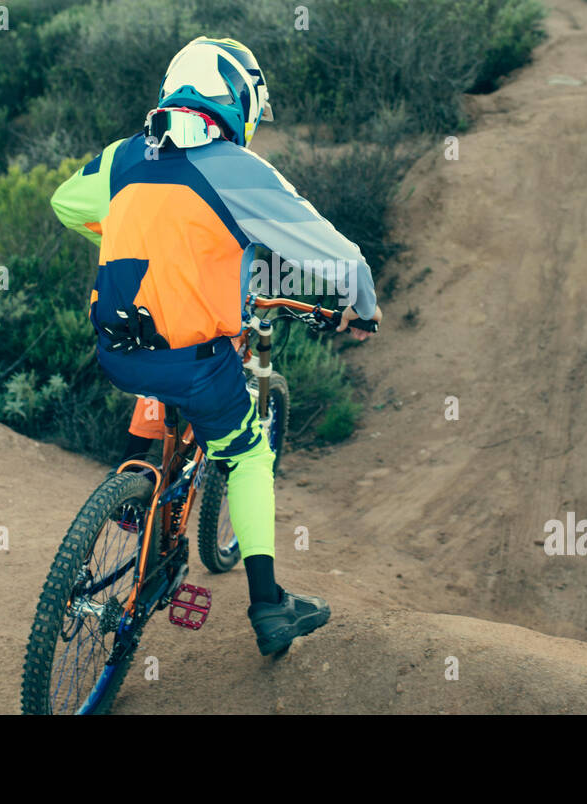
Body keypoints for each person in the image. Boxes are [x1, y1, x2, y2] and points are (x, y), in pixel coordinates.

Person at [50, 35, 382, 655]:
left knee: (159, 364)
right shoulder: (237, 170)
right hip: (199, 363)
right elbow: (339, 256)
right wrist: (362, 309)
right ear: (238, 102)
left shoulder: (124, 157)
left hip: (116, 348)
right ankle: (269, 605)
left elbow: (65, 202)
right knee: (250, 454)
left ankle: (135, 491)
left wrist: (132, 221)